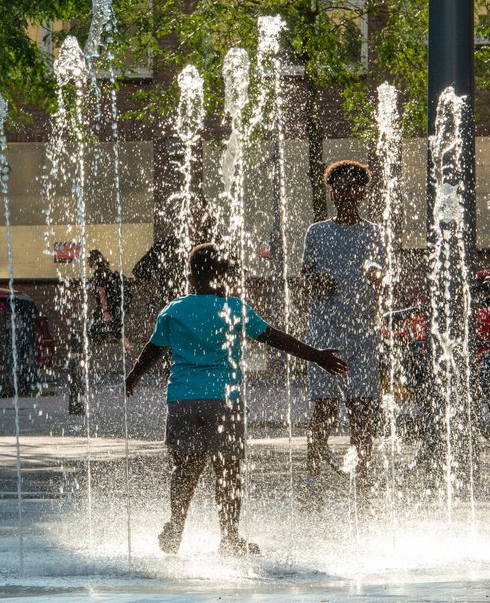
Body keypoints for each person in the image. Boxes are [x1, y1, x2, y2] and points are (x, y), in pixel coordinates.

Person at [126, 243, 347, 557]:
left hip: (183, 400)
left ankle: (176, 526)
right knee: (227, 470)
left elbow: (153, 349)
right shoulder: (235, 309)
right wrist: (317, 357)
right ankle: (229, 537)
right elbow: (275, 338)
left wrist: (134, 376)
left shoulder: (173, 310)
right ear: (225, 275)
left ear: (190, 276)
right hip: (225, 400)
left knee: (185, 468)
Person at [301, 160, 384, 498]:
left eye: (353, 187)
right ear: (331, 192)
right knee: (323, 406)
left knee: (361, 406)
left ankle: (363, 472)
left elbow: (384, 280)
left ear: (362, 194)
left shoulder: (373, 233)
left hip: (362, 334)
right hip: (326, 335)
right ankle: (312, 470)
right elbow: (305, 279)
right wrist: (316, 280)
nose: (346, 193)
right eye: (340, 187)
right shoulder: (316, 232)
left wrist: (377, 279)